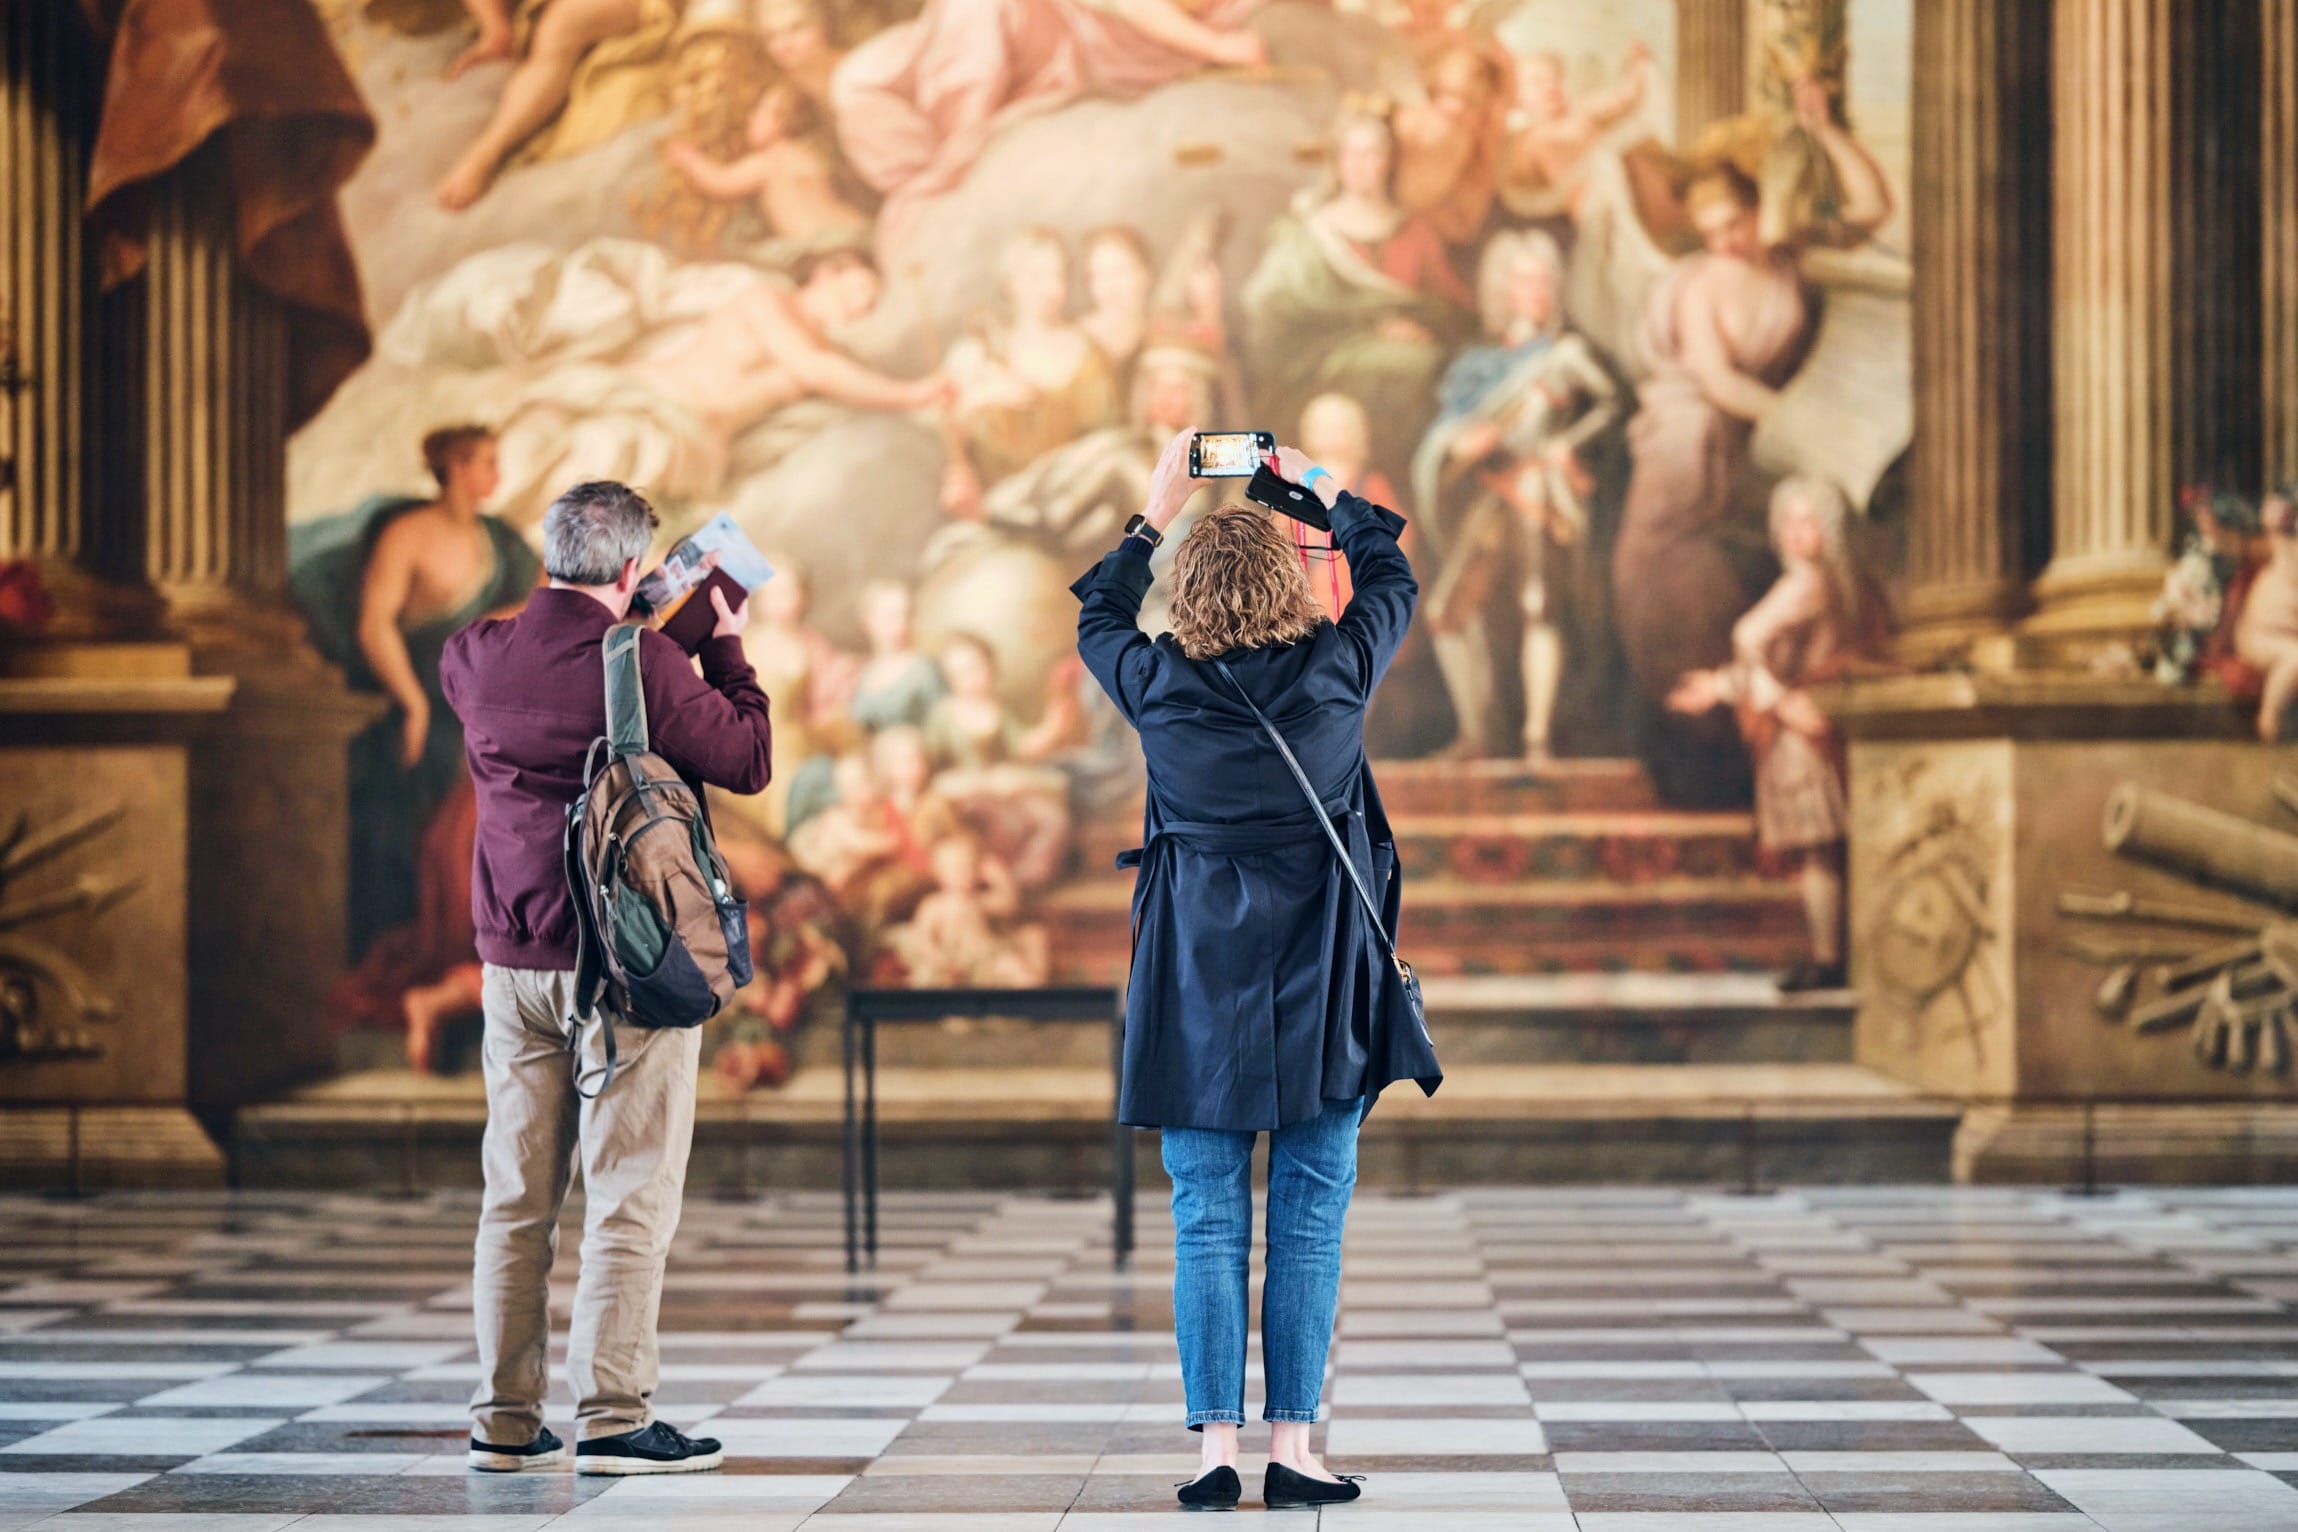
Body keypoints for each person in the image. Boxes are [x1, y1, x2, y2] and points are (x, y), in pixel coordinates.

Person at [1074, 430, 1440, 1512]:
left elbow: (1098, 617)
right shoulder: (1337, 674)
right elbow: (1392, 576)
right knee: (1310, 1214)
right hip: (1324, 982)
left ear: (1184, 595)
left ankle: (1214, 1455)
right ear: (1291, 584)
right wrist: (1322, 489)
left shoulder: (1157, 687)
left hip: (1195, 984)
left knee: (1205, 1214)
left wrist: (1154, 511)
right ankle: (1294, 1448)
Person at [440, 480, 773, 1476]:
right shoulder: (648, 663)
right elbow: (749, 757)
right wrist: (722, 643)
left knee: (515, 1199)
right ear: (634, 567)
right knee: (629, 1193)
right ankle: (615, 1414)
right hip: (628, 967)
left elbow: (543, 686)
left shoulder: (473, 654)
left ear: (549, 554)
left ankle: (504, 1417)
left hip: (513, 968)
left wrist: (632, 629)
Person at [293, 426, 542, 963]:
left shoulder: (499, 540)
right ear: (456, 467)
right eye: (487, 462)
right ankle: (415, 953)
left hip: (474, 705)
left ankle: (469, 954)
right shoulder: (407, 533)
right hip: (417, 704)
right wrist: (412, 702)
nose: (497, 474)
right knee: (411, 832)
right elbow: (374, 625)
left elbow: (532, 606)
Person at [1665, 477, 1887, 991]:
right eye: (1788, 520)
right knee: (1822, 855)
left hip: (1801, 737)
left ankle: (1830, 960)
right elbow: (1775, 663)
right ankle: (1832, 956)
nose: (1795, 531)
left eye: (1808, 521)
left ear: (1828, 530)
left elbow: (1750, 638)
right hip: (1802, 725)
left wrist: (1779, 702)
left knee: (1820, 854)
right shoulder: (1824, 582)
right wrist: (1721, 686)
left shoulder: (1810, 582)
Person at [1414, 230, 1620, 763]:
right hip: (1492, 492)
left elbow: (1611, 406)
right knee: (1447, 611)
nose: (1536, 291)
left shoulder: (1565, 354)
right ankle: (1478, 733)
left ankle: (1537, 738)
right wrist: (1461, 445)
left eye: (1544, 280)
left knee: (1538, 607)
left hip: (1539, 490)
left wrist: (1567, 446)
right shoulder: (1477, 365)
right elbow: (1449, 439)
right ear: (1503, 289)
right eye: (1524, 280)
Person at [1241, 100, 1472, 489]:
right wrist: (1372, 326)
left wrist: (1418, 324)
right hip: (1321, 360)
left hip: (1405, 363)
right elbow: (1271, 308)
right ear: (1338, 162)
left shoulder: (1414, 230)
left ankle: (1400, 489)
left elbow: (1448, 307)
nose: (1362, 165)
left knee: (1424, 364)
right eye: (1353, 154)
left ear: (1389, 161)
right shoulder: (1307, 233)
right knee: (1407, 364)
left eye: (1372, 153)